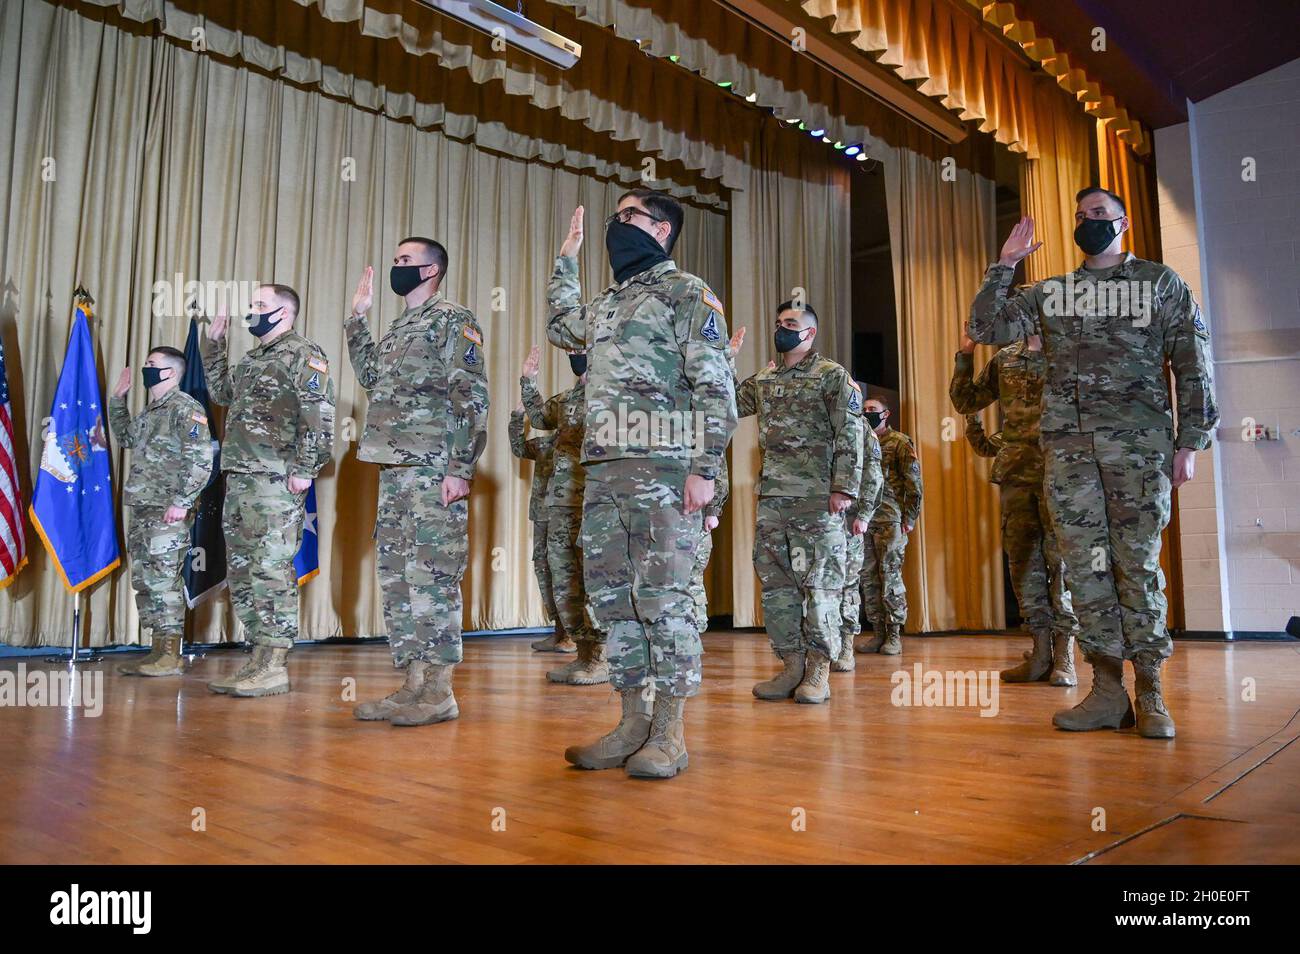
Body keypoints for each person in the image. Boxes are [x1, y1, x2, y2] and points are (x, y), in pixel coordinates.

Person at [968, 187, 1218, 738]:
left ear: (1123, 224)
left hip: (1139, 448)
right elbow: (986, 330)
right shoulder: (1054, 292)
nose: (1089, 223)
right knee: (1087, 568)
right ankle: (1107, 690)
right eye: (1081, 216)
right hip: (1069, 453)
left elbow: (1192, 361)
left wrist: (1191, 441)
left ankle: (1151, 690)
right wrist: (1004, 266)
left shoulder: (1159, 283)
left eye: (1099, 215)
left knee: (1136, 564)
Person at [547, 189, 736, 779]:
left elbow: (717, 391)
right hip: (605, 470)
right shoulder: (607, 302)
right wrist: (566, 258)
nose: (617, 225)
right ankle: (632, 722)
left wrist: (705, 471)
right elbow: (560, 326)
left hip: (665, 470)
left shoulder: (688, 293)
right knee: (615, 601)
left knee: (665, 600)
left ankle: (670, 733)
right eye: (616, 216)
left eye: (630, 216)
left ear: (661, 230)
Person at [346, 238, 488, 726]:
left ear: (431, 271)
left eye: (405, 261)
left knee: (433, 576)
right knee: (398, 578)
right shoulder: (400, 326)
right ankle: (412, 683)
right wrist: (357, 320)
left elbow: (471, 394)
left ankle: (440, 690)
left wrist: (461, 468)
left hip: (433, 467)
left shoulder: (453, 318)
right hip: (394, 468)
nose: (396, 268)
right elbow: (370, 377)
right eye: (395, 261)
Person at [202, 284, 335, 697]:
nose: (252, 311)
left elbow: (320, 415)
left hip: (277, 478)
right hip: (241, 476)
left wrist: (306, 469)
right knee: (243, 571)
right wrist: (214, 346)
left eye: (260, 305)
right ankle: (257, 657)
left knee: (271, 568)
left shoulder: (304, 354)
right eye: (252, 305)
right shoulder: (253, 358)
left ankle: (275, 662)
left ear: (284, 313)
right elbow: (223, 393)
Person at [740, 300, 864, 703]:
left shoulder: (832, 376)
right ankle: (790, 664)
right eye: (778, 323)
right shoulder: (765, 378)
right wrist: (721, 360)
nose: (781, 328)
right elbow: (725, 403)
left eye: (790, 323)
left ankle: (818, 671)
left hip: (817, 500)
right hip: (774, 499)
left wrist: (844, 487)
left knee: (821, 585)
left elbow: (851, 432)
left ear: (809, 333)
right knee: (777, 587)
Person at [950, 334, 1078, 687]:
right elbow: (965, 401)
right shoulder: (1005, 358)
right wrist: (965, 354)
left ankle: (1065, 657)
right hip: (1016, 475)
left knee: (1062, 565)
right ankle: (1039, 654)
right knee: (1023, 565)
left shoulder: (1070, 350)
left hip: (1062, 475)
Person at [108, 347, 214, 677]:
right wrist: (117, 401)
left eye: (152, 365)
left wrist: (182, 502)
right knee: (146, 581)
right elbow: (126, 436)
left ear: (170, 372)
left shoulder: (186, 408)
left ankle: (171, 654)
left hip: (168, 510)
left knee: (164, 580)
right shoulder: (153, 410)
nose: (146, 369)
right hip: (143, 507)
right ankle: (157, 650)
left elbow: (201, 459)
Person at [519, 345, 604, 685]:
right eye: (573, 349)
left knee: (592, 579)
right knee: (563, 578)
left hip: (595, 501)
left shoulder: (613, 394)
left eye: (583, 349)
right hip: (561, 501)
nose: (576, 354)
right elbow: (540, 418)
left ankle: (600, 656)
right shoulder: (567, 399)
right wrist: (528, 382)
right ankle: (581, 650)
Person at [689, 326, 746, 637]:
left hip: (697, 506)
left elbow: (715, 456)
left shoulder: (704, 406)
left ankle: (694, 636)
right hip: (666, 499)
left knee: (692, 575)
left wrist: (714, 508)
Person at [856, 398, 921, 655]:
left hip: (890, 519)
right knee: (869, 578)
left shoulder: (900, 442)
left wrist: (910, 518)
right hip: (863, 520)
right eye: (865, 410)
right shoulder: (859, 442)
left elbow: (913, 484)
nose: (868, 414)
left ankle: (894, 634)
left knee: (890, 575)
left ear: (886, 413)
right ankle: (877, 632)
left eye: (873, 410)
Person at [508, 397, 572, 653]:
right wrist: (516, 418)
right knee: (543, 571)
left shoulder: (577, 445)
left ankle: (572, 633)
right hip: (542, 515)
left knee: (566, 574)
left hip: (566, 516)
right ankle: (559, 629)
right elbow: (519, 449)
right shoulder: (545, 444)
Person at [835, 395, 883, 672]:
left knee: (848, 583)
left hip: (850, 519)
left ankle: (845, 645)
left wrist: (864, 515)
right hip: (820, 518)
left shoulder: (862, 429)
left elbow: (873, 475)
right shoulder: (824, 424)